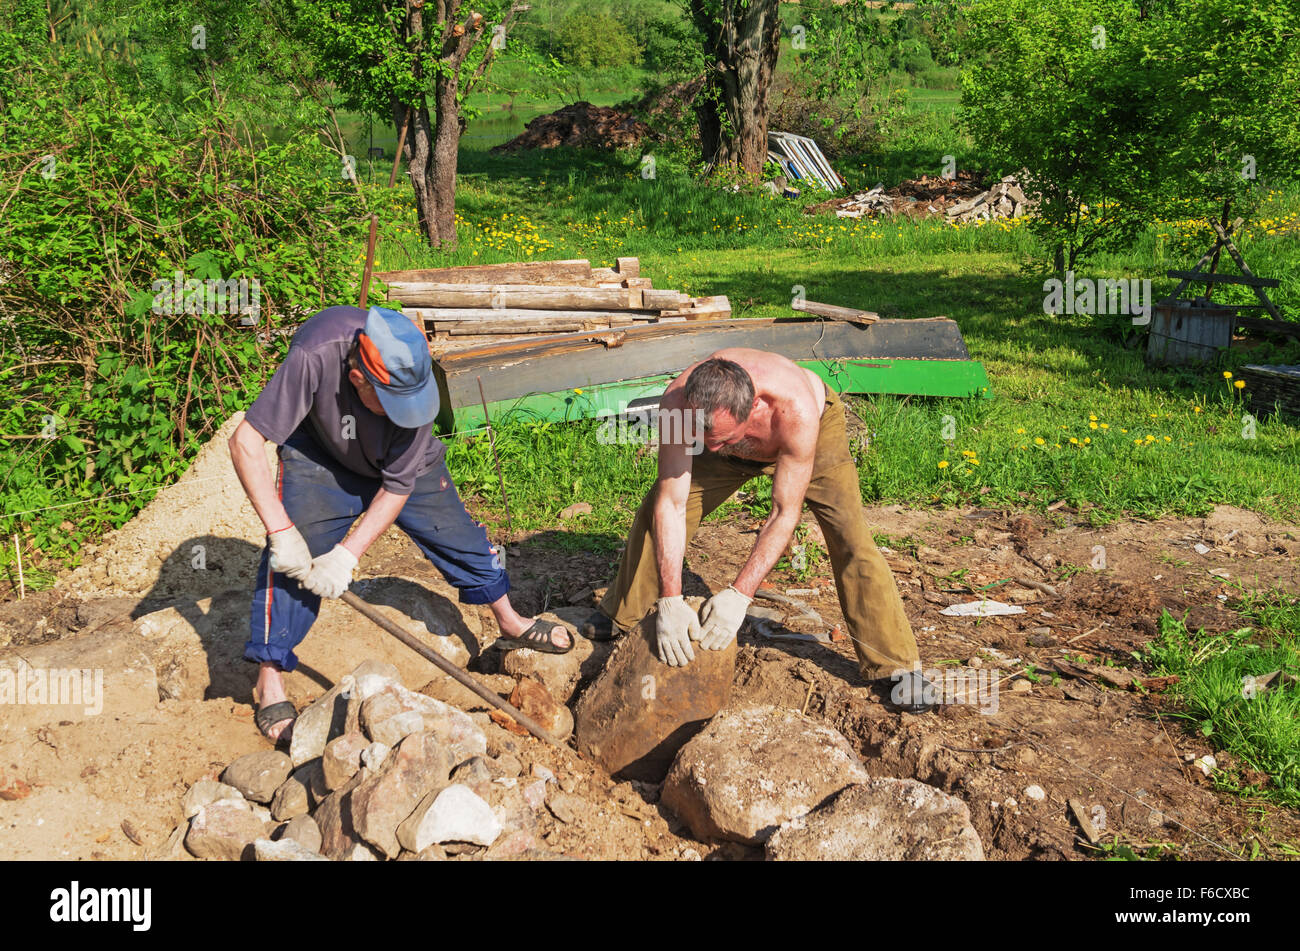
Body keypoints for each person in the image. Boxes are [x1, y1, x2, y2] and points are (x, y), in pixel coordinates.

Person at [229, 305, 570, 744]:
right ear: (358, 380)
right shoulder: (316, 352)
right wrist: (281, 531)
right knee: (295, 554)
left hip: (402, 464)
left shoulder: (414, 388)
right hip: (321, 458)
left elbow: (396, 488)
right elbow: (245, 442)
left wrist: (348, 556)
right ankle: (269, 678)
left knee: (461, 536)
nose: (406, 412)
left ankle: (509, 620)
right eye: (392, 404)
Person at [582, 349, 935, 713]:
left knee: (850, 538)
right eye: (703, 438)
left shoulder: (794, 410)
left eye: (721, 439)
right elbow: (672, 502)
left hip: (806, 439)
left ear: (753, 408)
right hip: (728, 433)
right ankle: (621, 612)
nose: (710, 449)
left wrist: (740, 595)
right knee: (657, 507)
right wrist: (671, 599)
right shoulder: (677, 406)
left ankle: (896, 664)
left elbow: (784, 512)